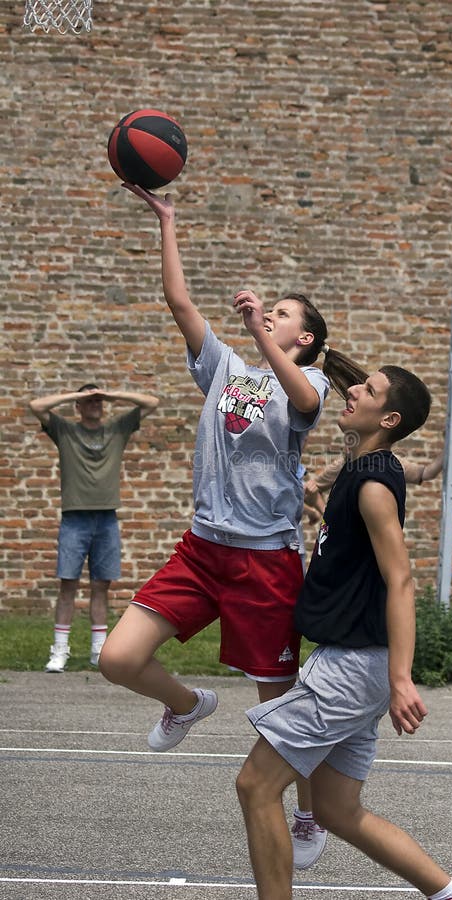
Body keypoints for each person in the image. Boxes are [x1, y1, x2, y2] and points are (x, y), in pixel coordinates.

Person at [99, 183, 367, 868]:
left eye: (281, 315)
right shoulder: (225, 370)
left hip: (263, 564)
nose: (268, 316)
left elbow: (303, 397)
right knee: (117, 658)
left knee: (283, 710)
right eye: (267, 311)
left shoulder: (307, 388)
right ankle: (186, 704)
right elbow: (179, 304)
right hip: (201, 550)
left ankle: (308, 815)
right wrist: (167, 222)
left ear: (302, 338)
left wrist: (256, 333)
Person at [236, 366, 452, 900]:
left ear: (388, 418)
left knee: (256, 786)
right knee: (335, 809)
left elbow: (401, 580)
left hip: (353, 667)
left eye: (367, 392)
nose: (353, 392)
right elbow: (350, 388)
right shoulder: (364, 461)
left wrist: (401, 678)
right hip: (357, 665)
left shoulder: (372, 485)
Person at [29, 384, 160, 672]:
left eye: (98, 402)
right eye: (90, 402)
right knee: (68, 585)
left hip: (107, 520)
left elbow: (152, 401)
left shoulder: (117, 428)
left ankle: (98, 650)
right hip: (74, 519)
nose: (95, 405)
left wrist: (112, 395)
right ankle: (59, 651)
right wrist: (77, 396)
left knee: (101, 586)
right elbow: (36, 406)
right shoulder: (65, 430)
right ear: (79, 406)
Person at [303, 445, 444, 522]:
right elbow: (310, 489)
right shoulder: (343, 464)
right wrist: (320, 509)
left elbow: (426, 473)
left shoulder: (390, 462)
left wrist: (450, 446)